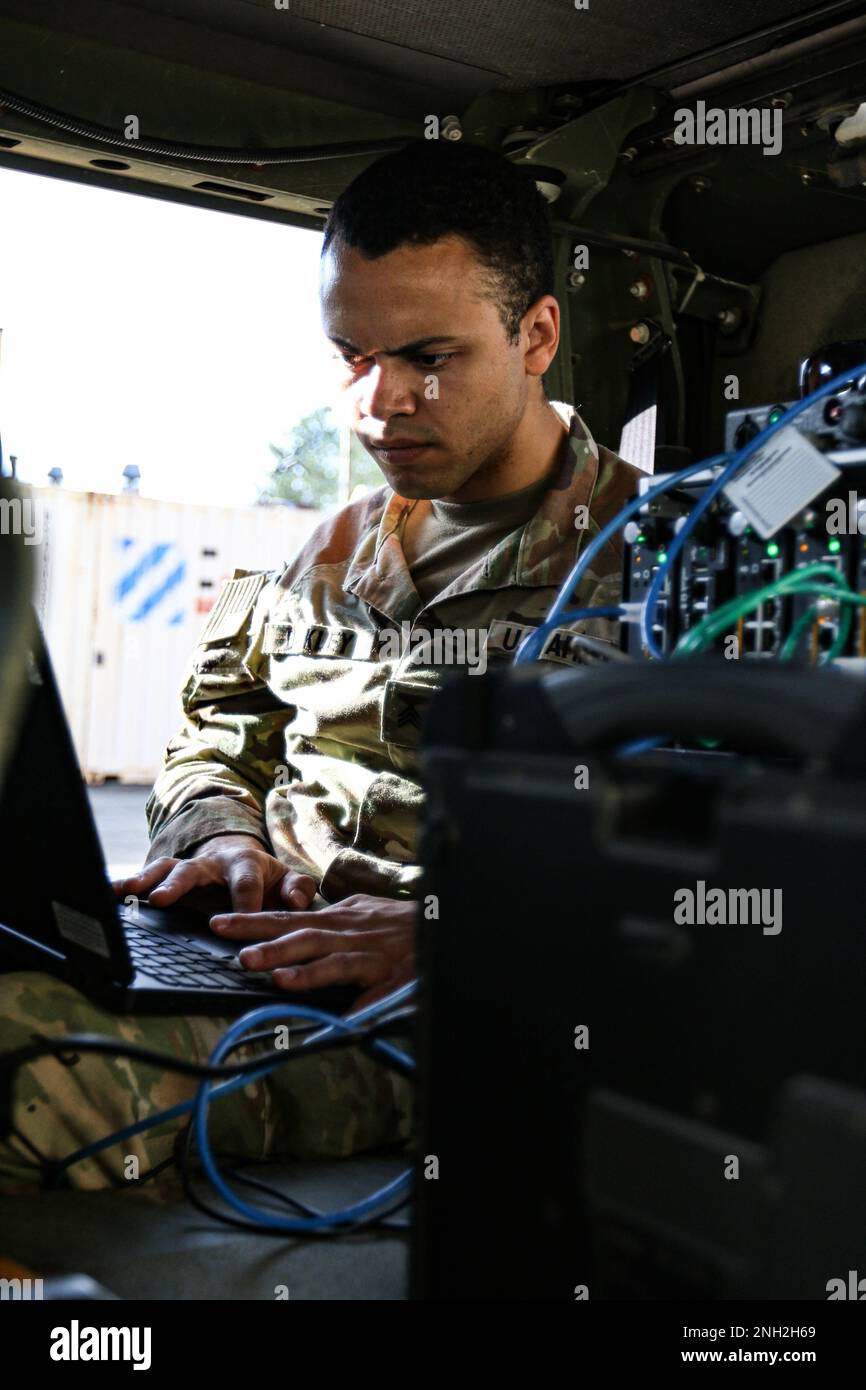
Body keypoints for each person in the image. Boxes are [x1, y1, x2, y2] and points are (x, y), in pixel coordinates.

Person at [0, 139, 639, 1195]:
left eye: (427, 357)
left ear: (535, 336)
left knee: (33, 1064)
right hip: (243, 953)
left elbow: (739, 877)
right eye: (349, 354)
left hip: (467, 1015)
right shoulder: (322, 553)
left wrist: (462, 931)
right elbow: (213, 733)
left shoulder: (666, 562)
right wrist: (221, 836)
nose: (376, 403)